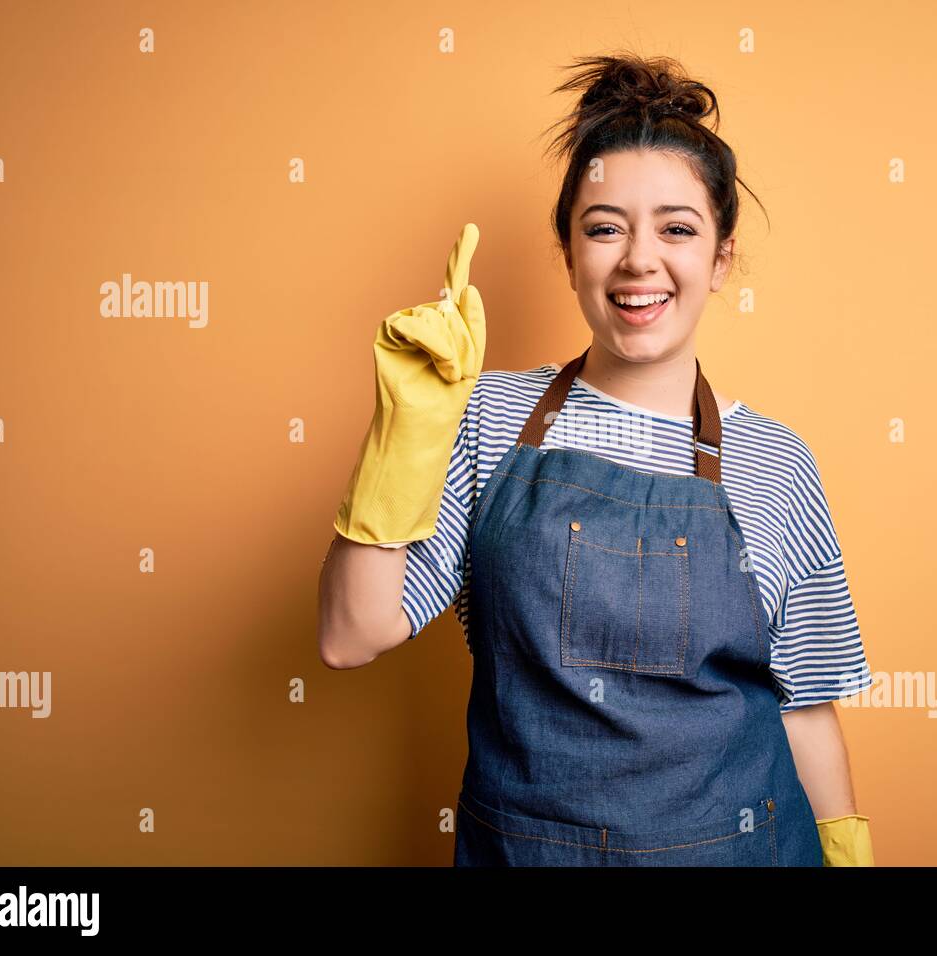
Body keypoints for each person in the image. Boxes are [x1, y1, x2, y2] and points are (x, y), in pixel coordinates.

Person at [318, 52, 874, 867]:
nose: (639, 259)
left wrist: (848, 853)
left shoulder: (776, 462)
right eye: (605, 227)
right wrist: (403, 431)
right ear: (570, 253)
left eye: (678, 229)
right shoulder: (489, 418)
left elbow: (806, 708)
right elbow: (350, 634)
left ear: (720, 260)